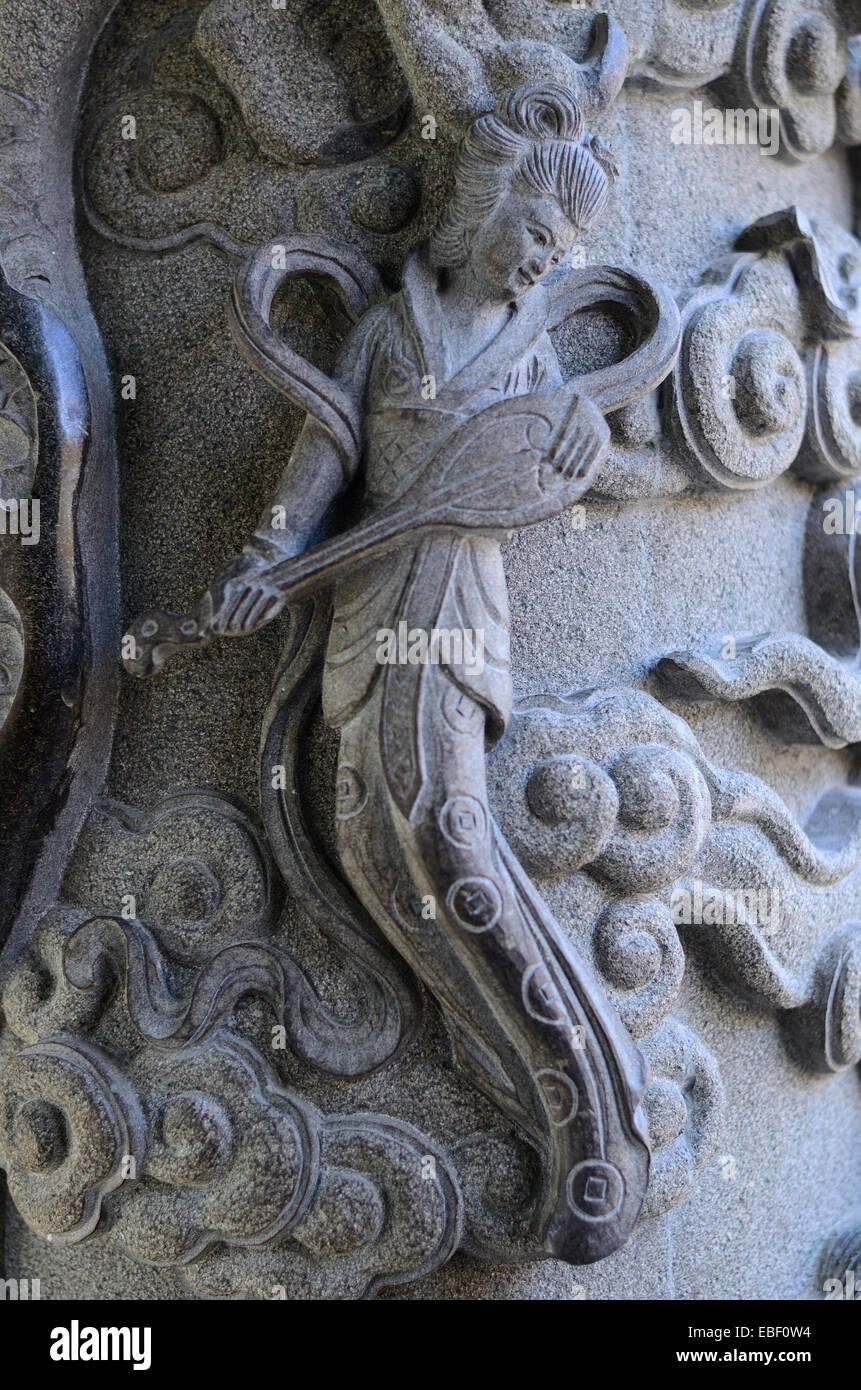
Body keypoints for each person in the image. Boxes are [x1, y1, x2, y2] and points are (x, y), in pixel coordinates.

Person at [204, 84, 650, 1262]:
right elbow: (327, 453)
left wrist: (583, 436)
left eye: (562, 254)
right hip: (362, 599)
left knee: (446, 829)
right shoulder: (390, 328)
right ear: (481, 210)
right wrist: (264, 560)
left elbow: (559, 450)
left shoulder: (534, 348)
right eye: (535, 236)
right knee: (365, 841)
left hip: (454, 604)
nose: (541, 265)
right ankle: (502, 1061)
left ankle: (587, 1105)